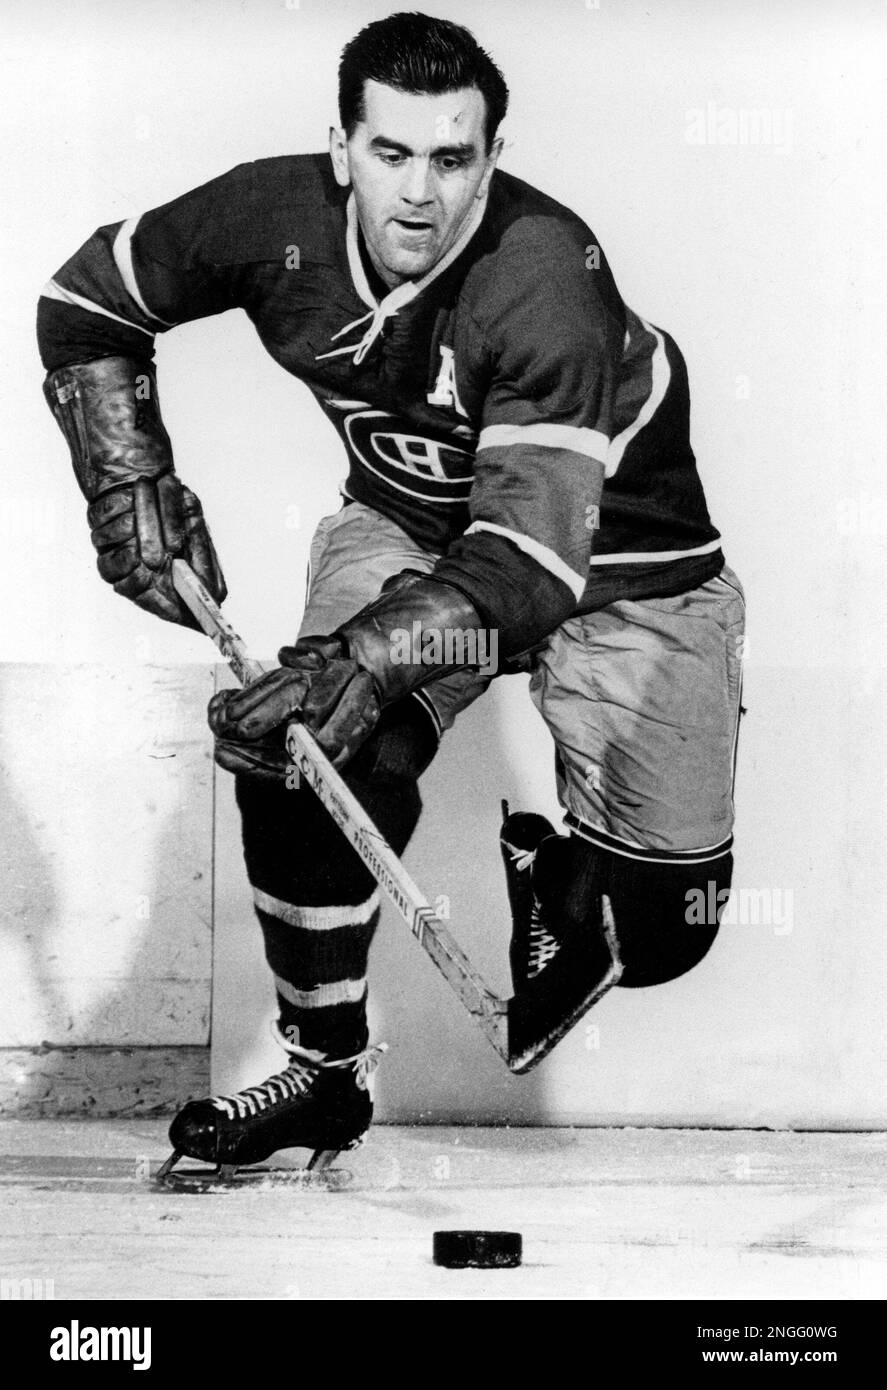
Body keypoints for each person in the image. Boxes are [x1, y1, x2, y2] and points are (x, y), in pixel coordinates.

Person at [38, 12, 745, 1176]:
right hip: (413, 526)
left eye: (453, 159)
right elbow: (85, 305)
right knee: (304, 749)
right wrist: (127, 479)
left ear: (492, 156)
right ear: (340, 146)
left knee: (660, 935)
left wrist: (361, 655)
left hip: (620, 567)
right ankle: (324, 1074)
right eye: (391, 153)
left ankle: (551, 876)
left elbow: (527, 565)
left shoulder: (541, 279)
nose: (418, 193)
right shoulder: (264, 219)